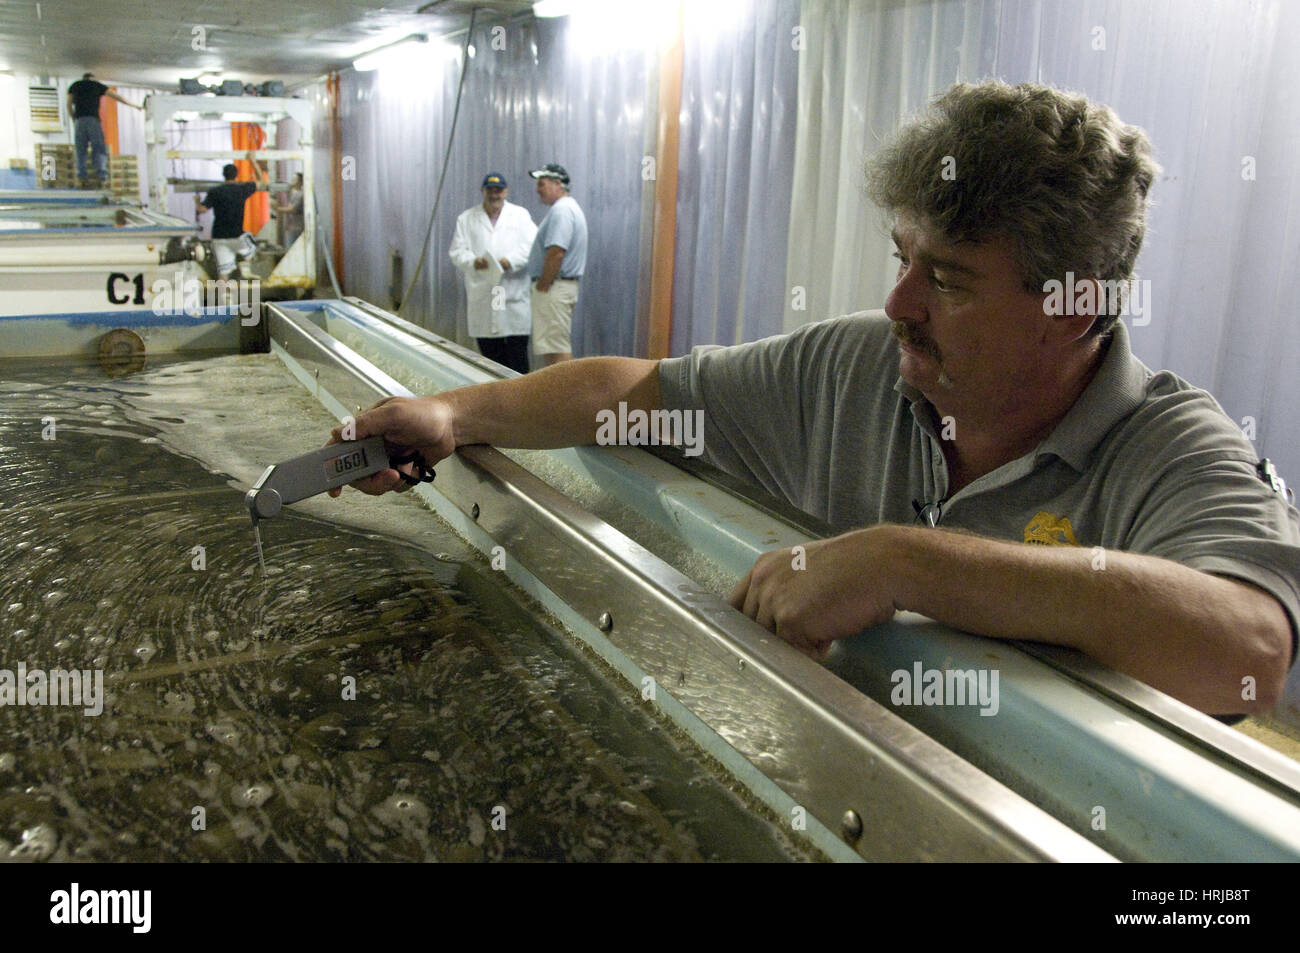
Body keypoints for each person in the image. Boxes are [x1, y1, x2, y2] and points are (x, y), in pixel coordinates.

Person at [326, 81, 1299, 717]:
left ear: (1072, 307)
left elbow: (1247, 648)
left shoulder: (1171, 450)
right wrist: (457, 414)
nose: (897, 304)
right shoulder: (852, 367)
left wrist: (906, 560)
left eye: (949, 280)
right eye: (900, 257)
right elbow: (643, 391)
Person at [448, 172, 538, 374]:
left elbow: (532, 247)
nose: (494, 195)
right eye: (490, 190)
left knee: (517, 359)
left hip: (511, 292)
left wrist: (509, 261)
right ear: (483, 191)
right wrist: (473, 261)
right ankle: (496, 404)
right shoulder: (467, 218)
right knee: (490, 360)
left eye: (498, 190)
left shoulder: (520, 216)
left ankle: (522, 404)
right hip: (484, 294)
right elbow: (457, 251)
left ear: (506, 192)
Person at [526, 163, 587, 366]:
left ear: (558, 184)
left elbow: (557, 252)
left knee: (556, 349)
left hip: (553, 287)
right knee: (553, 346)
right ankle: (560, 395)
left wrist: (544, 283)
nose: (538, 189)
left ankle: (564, 396)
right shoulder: (567, 208)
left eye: (541, 184)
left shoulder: (562, 210)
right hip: (557, 286)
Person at [195, 153, 269, 279]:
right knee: (250, 244)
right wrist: (252, 161)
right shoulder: (242, 189)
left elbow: (201, 209)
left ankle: (224, 297)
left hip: (219, 237)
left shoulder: (215, 191)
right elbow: (261, 180)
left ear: (223, 175)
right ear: (237, 175)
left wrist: (197, 200)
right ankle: (245, 268)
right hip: (237, 235)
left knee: (223, 271)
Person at [66, 73, 142, 187]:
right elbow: (117, 97)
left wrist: (73, 119)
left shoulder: (74, 85)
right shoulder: (97, 85)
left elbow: (68, 104)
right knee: (99, 148)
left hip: (79, 120)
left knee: (80, 149)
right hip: (93, 120)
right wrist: (134, 105)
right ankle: (101, 176)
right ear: (93, 78)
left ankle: (82, 177)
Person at [275, 172, 305, 249]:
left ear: (300, 181)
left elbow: (292, 209)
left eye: (294, 179)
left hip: (297, 228)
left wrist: (276, 208)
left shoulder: (301, 194)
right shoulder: (293, 193)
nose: (292, 181)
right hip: (290, 227)